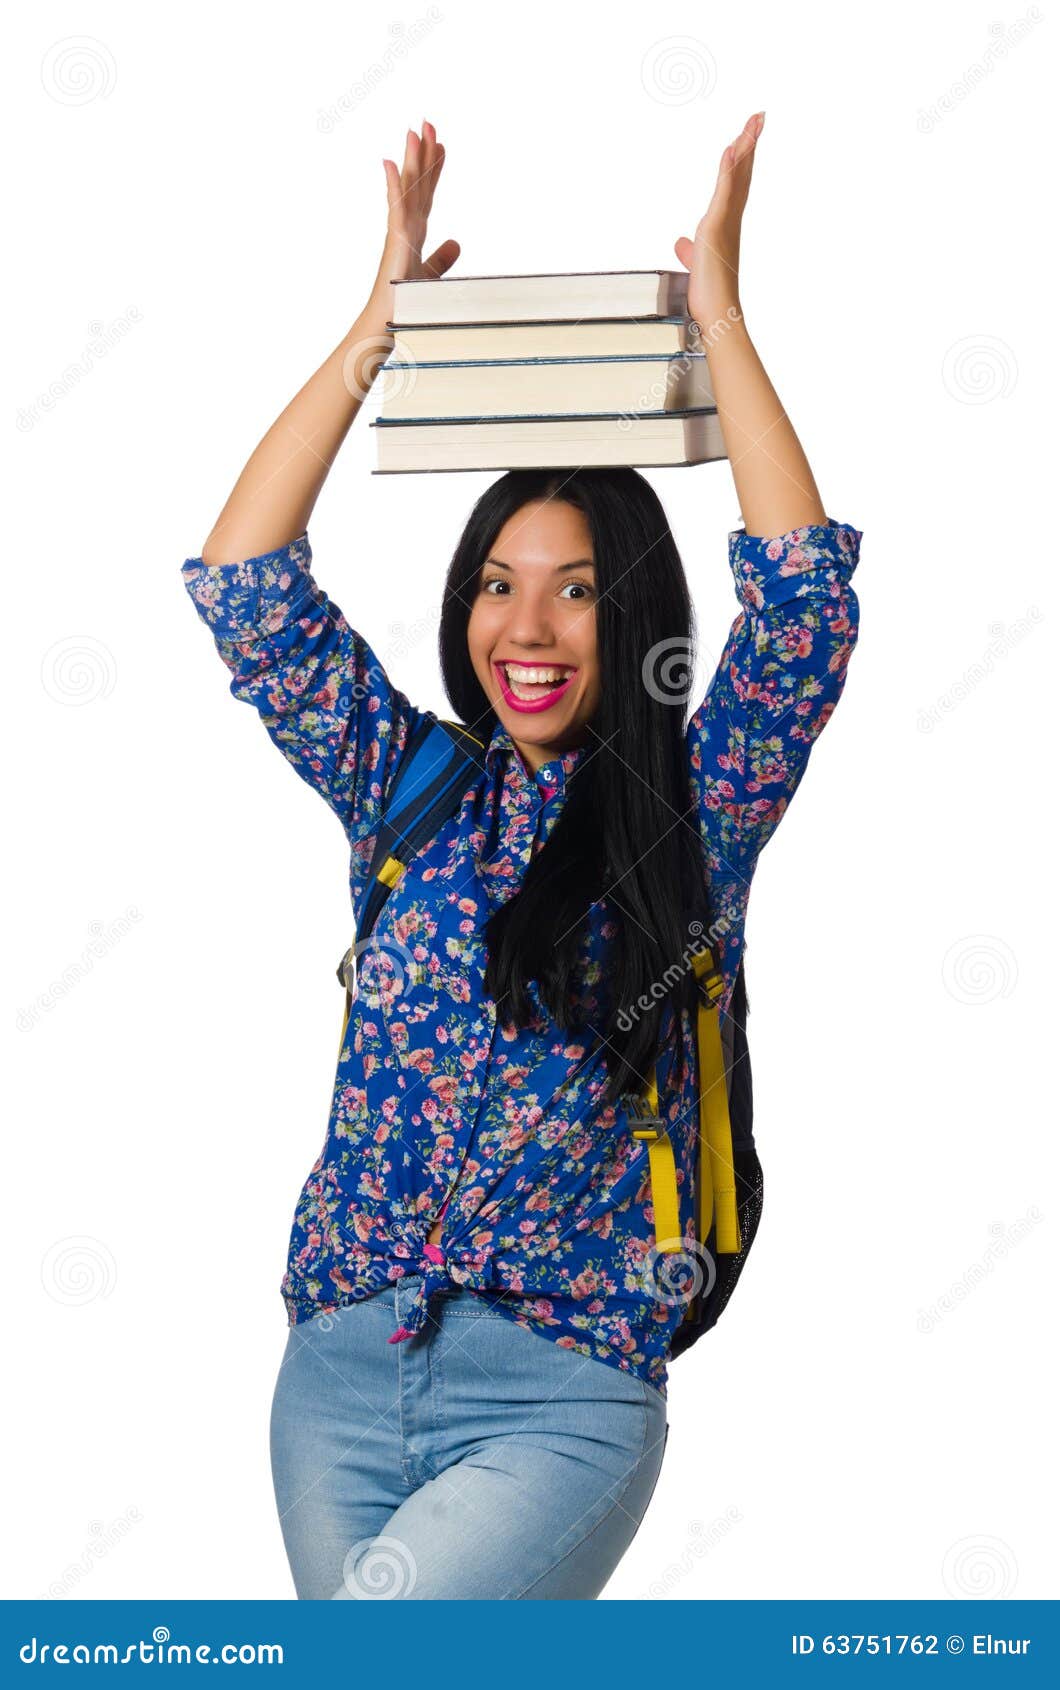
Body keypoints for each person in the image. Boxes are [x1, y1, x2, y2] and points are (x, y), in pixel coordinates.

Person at [181, 114, 862, 1599]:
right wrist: (375, 330)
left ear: (635, 618)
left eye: (572, 592)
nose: (526, 630)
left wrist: (725, 325)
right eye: (499, 586)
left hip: (560, 1394)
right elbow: (243, 583)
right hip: (339, 1375)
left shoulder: (697, 809)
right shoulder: (408, 791)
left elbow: (805, 610)